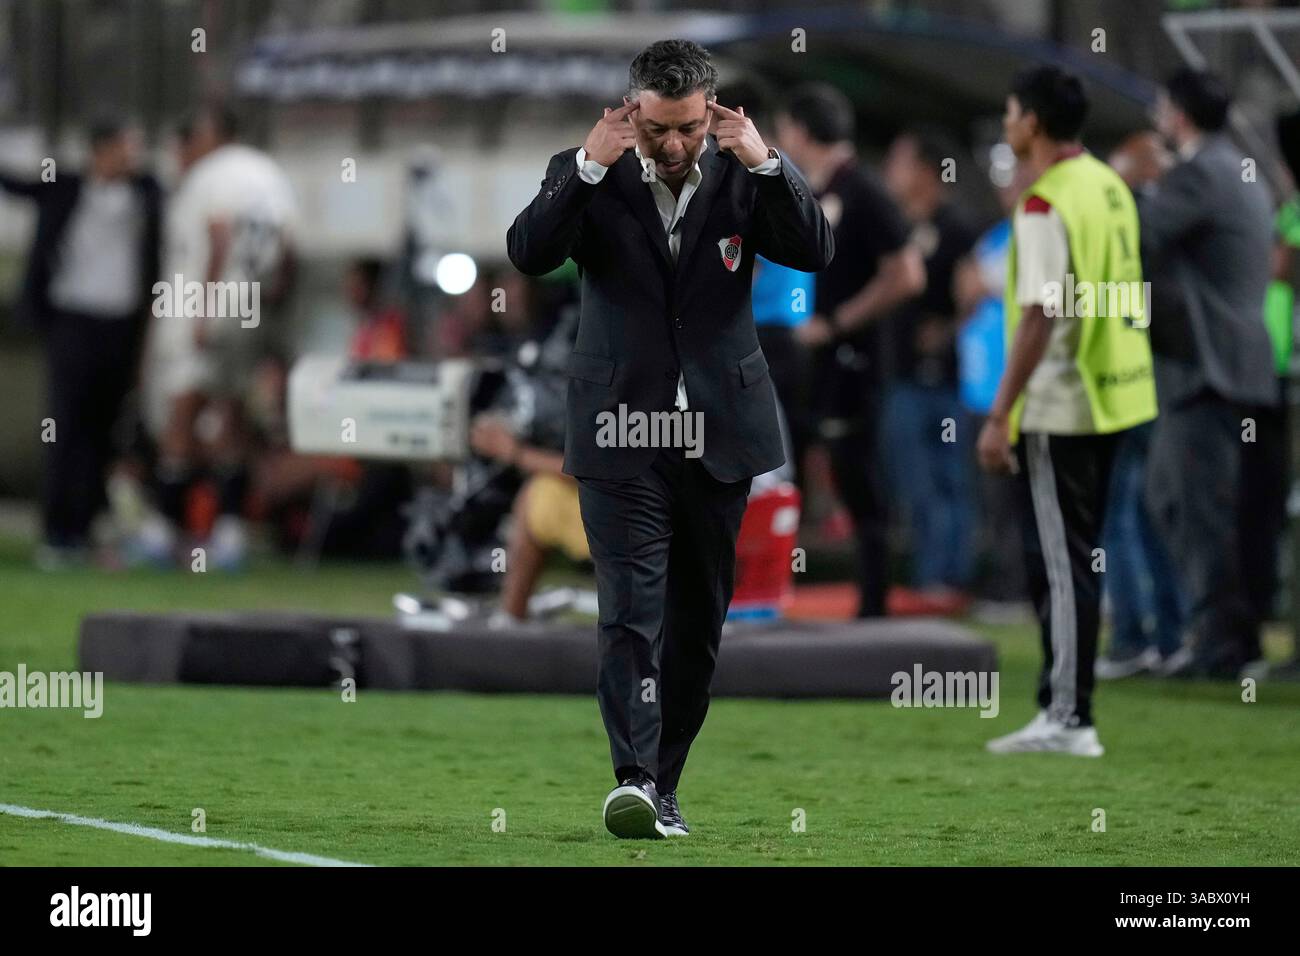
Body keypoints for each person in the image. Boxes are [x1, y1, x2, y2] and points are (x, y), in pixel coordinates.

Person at [507, 39, 833, 838]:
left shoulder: (744, 171)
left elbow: (815, 249)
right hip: (621, 432)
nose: (673, 144)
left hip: (717, 431)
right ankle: (633, 778)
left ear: (713, 112)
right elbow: (527, 252)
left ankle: (666, 784)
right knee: (628, 608)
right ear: (630, 112)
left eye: (687, 126)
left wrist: (766, 162)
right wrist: (585, 165)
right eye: (656, 129)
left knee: (697, 623)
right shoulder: (587, 169)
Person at [978, 65, 1157, 756]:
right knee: (1081, 559)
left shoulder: (1046, 202)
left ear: (1035, 124)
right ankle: (1069, 708)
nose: (1006, 122)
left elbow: (1039, 314)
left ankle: (1068, 717)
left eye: (1012, 111)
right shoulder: (1108, 186)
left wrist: (1000, 414)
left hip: (1063, 402)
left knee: (1061, 564)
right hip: (1119, 390)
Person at [1136, 70, 1279, 679]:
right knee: (1222, 508)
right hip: (1244, 362)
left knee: (1188, 505)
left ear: (1177, 115)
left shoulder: (1196, 173)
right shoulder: (1241, 169)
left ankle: (1218, 643)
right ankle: (1231, 636)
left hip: (1207, 367)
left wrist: (1128, 183)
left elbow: (1135, 234)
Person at [776, 83, 925, 617]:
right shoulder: (816, 190)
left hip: (856, 362)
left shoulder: (863, 190)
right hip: (819, 363)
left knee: (859, 480)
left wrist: (837, 323)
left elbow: (908, 274)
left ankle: (874, 607)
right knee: (804, 470)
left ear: (801, 131)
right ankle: (777, 593)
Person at [137, 105, 297, 570]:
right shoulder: (269, 175)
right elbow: (288, 251)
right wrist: (272, 306)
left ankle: (163, 527)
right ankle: (228, 533)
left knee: (183, 410)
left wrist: (205, 309)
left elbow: (219, 234)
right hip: (253, 306)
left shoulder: (216, 175)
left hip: (206, 305)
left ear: (213, 134)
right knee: (230, 414)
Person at [0, 122, 161, 568]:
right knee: (64, 426)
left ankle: (87, 526)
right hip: (73, 321)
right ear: (99, 152)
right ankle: (57, 531)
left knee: (102, 429)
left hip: (121, 326)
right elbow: (21, 186)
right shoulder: (67, 186)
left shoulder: (146, 194)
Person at [881, 127, 980, 608]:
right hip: (900, 373)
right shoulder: (897, 224)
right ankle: (929, 579)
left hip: (940, 378)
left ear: (924, 171)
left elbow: (975, 288)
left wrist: (948, 329)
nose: (890, 173)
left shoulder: (954, 224)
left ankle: (947, 580)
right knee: (914, 482)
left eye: (900, 162)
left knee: (946, 481)